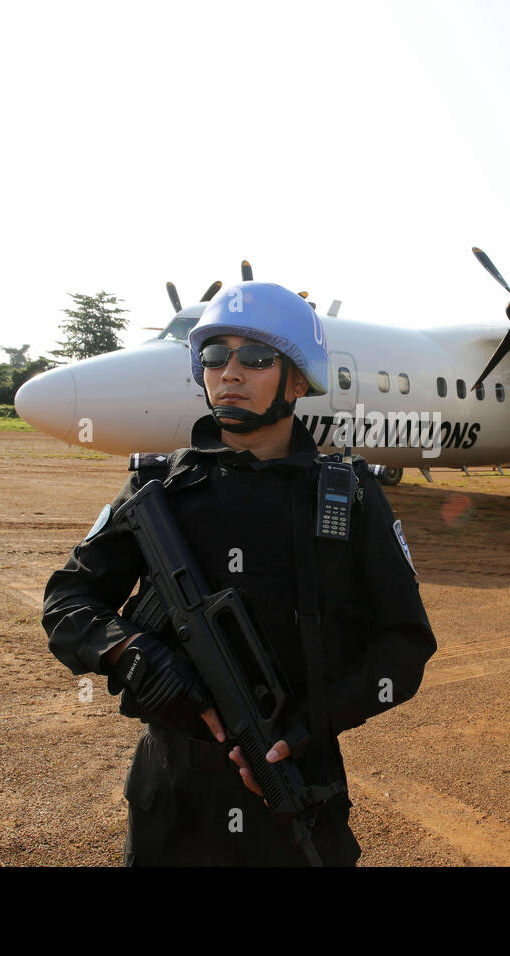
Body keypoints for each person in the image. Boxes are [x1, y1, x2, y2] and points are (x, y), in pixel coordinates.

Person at [41, 281, 435, 866]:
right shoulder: (157, 486)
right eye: (214, 356)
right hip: (170, 799)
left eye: (254, 358)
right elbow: (68, 601)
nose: (230, 372)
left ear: (298, 381)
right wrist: (132, 654)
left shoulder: (347, 497)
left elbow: (403, 645)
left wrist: (307, 725)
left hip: (294, 789)